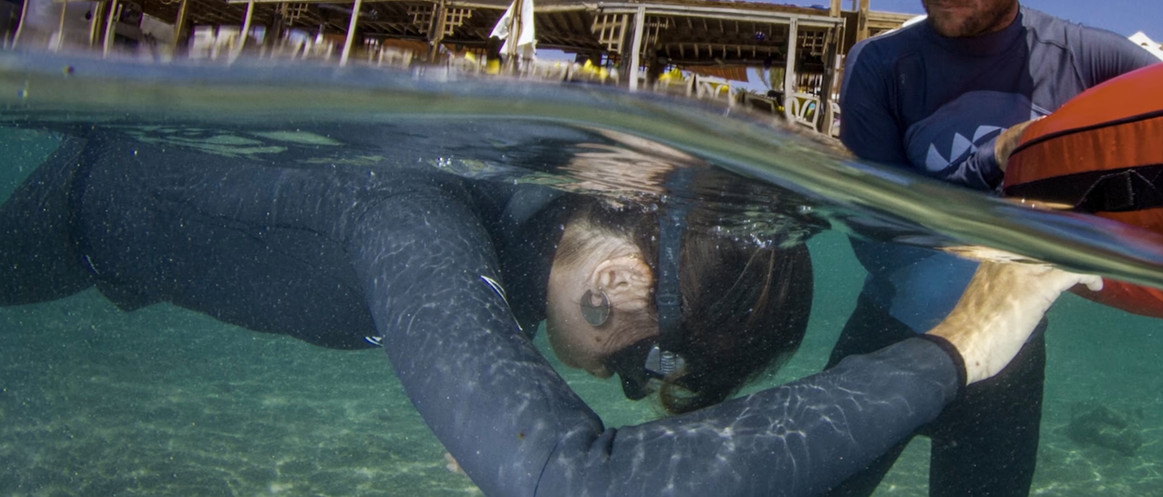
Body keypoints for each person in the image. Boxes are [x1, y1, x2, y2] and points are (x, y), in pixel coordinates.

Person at [0, 128, 1095, 497]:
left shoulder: (492, 240)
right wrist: (953, 348)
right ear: (620, 286)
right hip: (63, 214)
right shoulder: (416, 210)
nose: (624, 371)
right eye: (656, 355)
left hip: (100, 235)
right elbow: (579, 482)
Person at [832, 0, 1162, 497]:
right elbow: (879, 243)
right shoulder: (880, 67)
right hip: (885, 332)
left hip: (1010, 354)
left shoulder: (1086, 59)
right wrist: (996, 160)